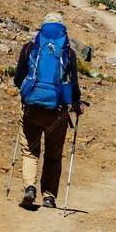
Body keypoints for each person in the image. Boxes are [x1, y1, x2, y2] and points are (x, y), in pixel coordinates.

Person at [12, 12, 85, 209]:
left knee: (29, 151)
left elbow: (18, 78)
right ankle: (49, 197)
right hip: (57, 114)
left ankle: (29, 188)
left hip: (31, 110)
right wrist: (77, 104)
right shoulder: (68, 53)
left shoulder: (30, 48)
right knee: (53, 155)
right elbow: (74, 86)